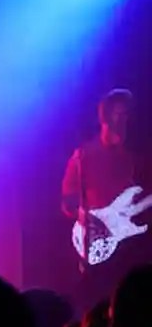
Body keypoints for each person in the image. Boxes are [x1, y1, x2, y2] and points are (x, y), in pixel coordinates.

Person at [61, 88, 145, 309]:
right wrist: (86, 217)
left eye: (128, 115)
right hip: (96, 247)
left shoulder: (131, 158)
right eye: (120, 114)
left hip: (125, 248)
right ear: (105, 118)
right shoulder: (83, 156)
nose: (125, 120)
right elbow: (67, 199)